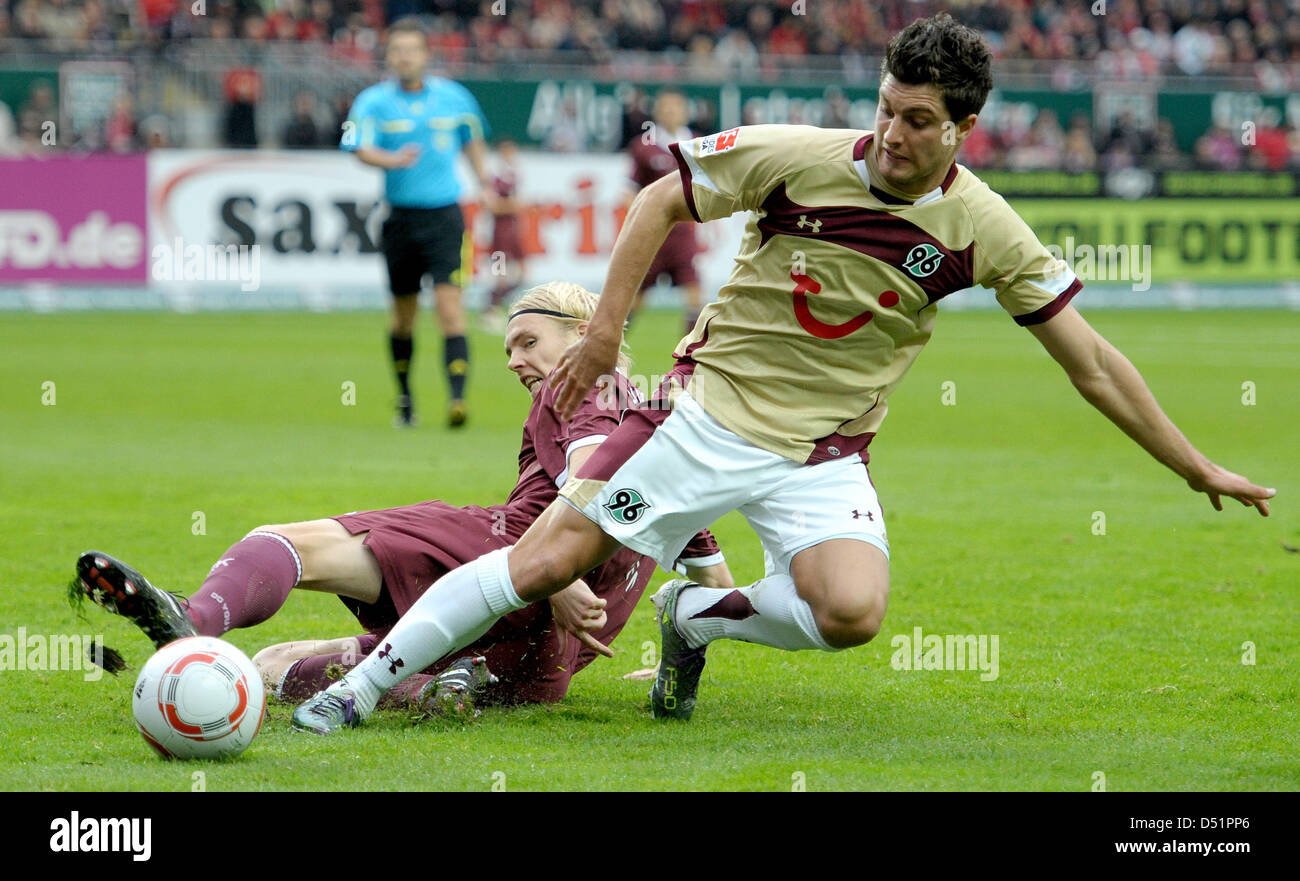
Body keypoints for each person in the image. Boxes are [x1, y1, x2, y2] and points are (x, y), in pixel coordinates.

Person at [293, 14, 1274, 733]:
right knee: (548, 562)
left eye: (918, 121)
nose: (892, 135)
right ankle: (359, 687)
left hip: (822, 451)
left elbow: (1092, 362)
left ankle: (690, 613)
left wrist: (1193, 466)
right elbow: (654, 203)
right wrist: (601, 337)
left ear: (961, 128)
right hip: (701, 416)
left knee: (849, 613)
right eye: (887, 109)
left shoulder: (985, 229)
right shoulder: (796, 158)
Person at [71, 283, 731, 720]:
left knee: (288, 541)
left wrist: (553, 569)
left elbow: (586, 481)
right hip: (546, 660)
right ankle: (443, 683)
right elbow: (712, 580)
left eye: (528, 341)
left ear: (586, 330)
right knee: (274, 664)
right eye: (507, 348)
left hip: (512, 552)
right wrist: (674, 652)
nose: (513, 361)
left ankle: (195, 616)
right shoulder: (670, 430)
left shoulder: (580, 384)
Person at [343, 17, 496, 428]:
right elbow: (354, 146)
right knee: (403, 316)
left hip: (446, 217)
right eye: (397, 49)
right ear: (389, 55)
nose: (404, 56)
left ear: (427, 55)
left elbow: (473, 140)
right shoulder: (373, 101)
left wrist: (483, 182)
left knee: (450, 310)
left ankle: (457, 401)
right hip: (400, 220)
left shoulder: (454, 97)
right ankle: (406, 398)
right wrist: (390, 159)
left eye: (411, 49)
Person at [624, 87, 703, 333]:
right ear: (657, 111)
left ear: (685, 112)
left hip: (683, 234)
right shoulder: (644, 145)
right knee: (634, 296)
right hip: (654, 233)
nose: (671, 112)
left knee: (694, 294)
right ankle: (610, 348)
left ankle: (689, 355)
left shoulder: (698, 143)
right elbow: (629, 191)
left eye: (676, 107)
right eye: (666, 107)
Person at [481, 139, 527, 334]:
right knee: (499, 274)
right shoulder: (495, 178)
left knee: (523, 274)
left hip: (513, 232)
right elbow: (491, 205)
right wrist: (513, 205)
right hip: (499, 233)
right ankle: (490, 309)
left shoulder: (513, 176)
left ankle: (493, 306)